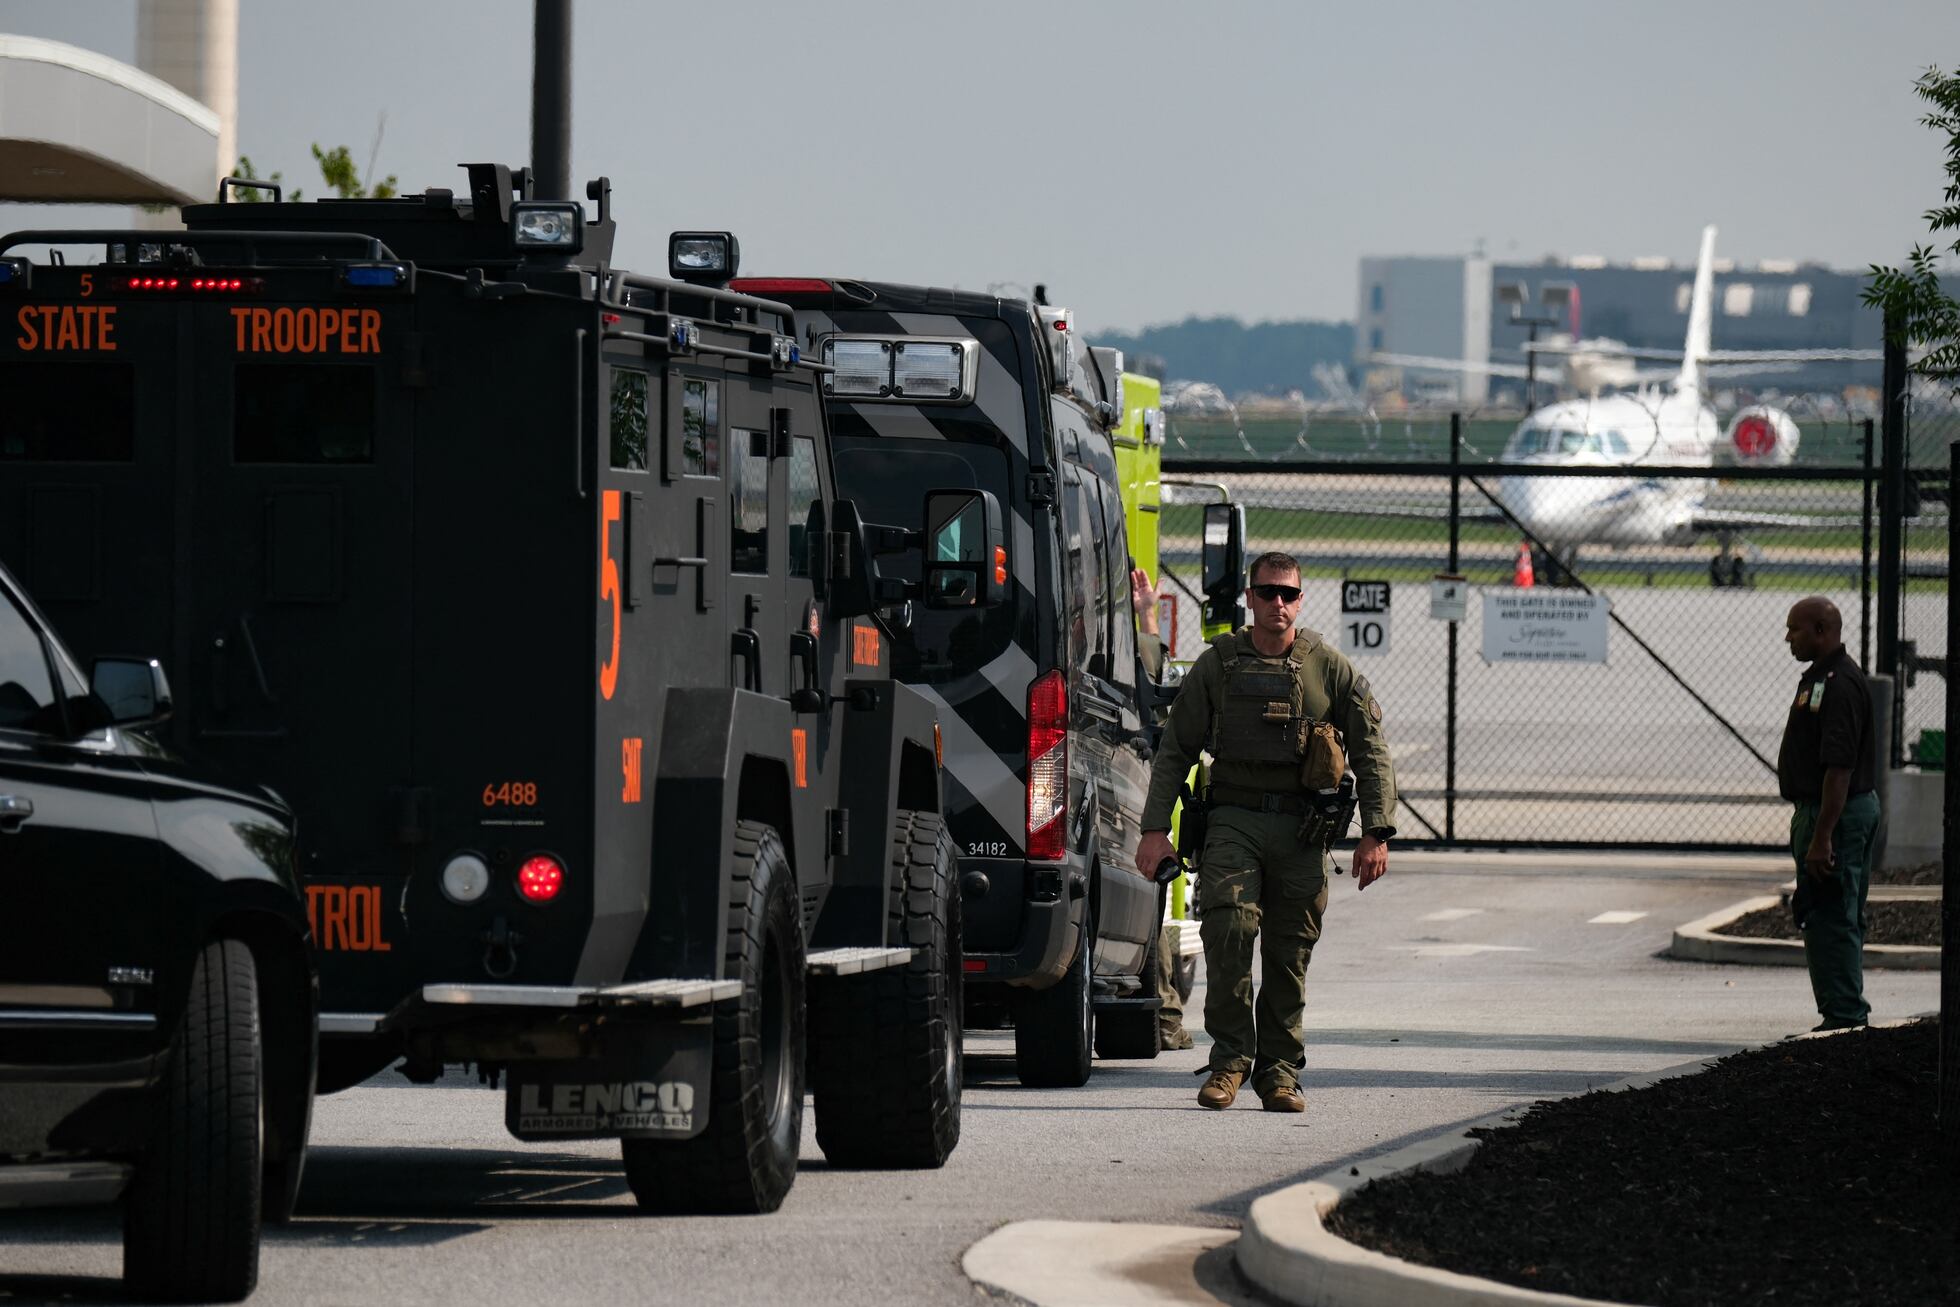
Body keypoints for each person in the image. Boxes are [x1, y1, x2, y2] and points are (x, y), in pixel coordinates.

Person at [1134, 552, 1396, 1112]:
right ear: (1249, 598)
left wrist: (1377, 831)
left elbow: (1371, 748)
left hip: (1304, 828)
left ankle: (1278, 1071)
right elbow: (1176, 747)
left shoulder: (1328, 666)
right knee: (1227, 930)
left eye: (1288, 593)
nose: (1278, 602)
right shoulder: (1220, 664)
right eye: (1267, 591)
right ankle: (1230, 1061)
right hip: (1234, 818)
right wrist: (1155, 829)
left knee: (1289, 950)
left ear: (1301, 599)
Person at [1778, 597, 1879, 1032]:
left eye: (1794, 630)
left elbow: (1839, 768)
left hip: (1833, 815)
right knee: (1830, 913)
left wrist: (1823, 837)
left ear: (1821, 630)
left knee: (1830, 915)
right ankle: (1842, 1014)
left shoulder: (1838, 685)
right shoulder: (1821, 679)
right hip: (1824, 812)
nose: (1788, 639)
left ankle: (1843, 1019)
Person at [1130, 565, 1195, 1051]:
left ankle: (1167, 1014)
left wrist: (1147, 614)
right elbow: (1160, 678)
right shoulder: (1130, 651)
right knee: (1150, 903)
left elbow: (1155, 666)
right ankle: (1167, 1017)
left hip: (1132, 790)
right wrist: (1147, 614)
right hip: (1135, 787)